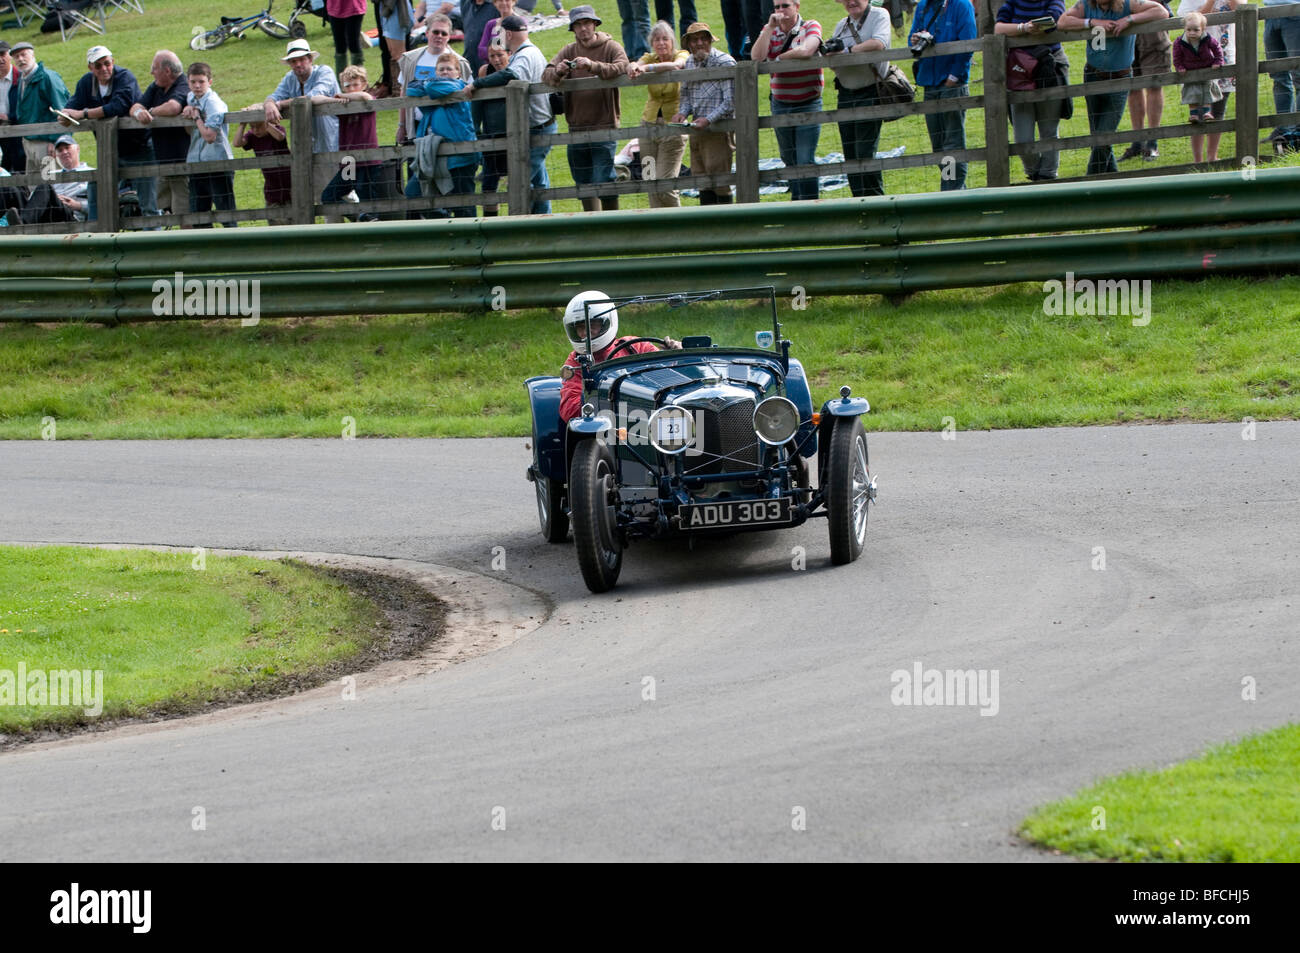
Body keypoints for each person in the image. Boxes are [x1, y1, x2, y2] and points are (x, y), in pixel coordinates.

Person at [1058, 0, 1168, 175]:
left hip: (1120, 78)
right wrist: (1091, 22)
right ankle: (1114, 179)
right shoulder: (1086, 5)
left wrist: (1129, 20)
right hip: (1093, 76)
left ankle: (1090, 182)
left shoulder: (1127, 4)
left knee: (1103, 137)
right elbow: (1062, 21)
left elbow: (1161, 11)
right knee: (1099, 138)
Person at [544, 6, 630, 212]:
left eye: (586, 23)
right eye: (578, 25)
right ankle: (592, 224)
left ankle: (611, 224)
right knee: (582, 181)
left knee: (604, 179)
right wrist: (559, 71)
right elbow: (545, 76)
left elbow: (623, 67)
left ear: (595, 24)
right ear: (573, 29)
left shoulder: (611, 47)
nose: (583, 28)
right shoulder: (568, 50)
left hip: (604, 124)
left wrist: (593, 66)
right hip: (576, 126)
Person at [59, 46, 158, 222]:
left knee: (147, 201)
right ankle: (98, 233)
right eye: (98, 65)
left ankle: (155, 240)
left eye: (107, 63)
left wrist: (83, 114)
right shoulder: (86, 83)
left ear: (113, 62)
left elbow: (118, 107)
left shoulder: (125, 77)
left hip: (139, 148)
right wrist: (65, 115)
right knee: (96, 185)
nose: (104, 68)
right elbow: (73, 104)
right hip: (110, 150)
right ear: (90, 68)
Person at [469, 14, 555, 213]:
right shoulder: (527, 52)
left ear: (508, 33)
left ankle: (519, 226)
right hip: (538, 124)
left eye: (501, 35)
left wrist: (477, 83)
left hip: (538, 126)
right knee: (538, 181)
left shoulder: (525, 55)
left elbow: (511, 74)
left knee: (519, 183)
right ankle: (545, 223)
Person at [559, 290, 681, 422]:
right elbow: (570, 412)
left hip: (649, 416)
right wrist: (592, 393)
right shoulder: (576, 361)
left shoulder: (635, 347)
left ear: (608, 322)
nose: (585, 333)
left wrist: (675, 356)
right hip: (605, 426)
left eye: (592, 325)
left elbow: (671, 380)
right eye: (580, 327)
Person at [751, 0, 824, 201]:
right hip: (781, 103)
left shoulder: (810, 26)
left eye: (785, 6)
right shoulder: (770, 30)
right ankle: (796, 201)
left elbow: (806, 50)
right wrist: (769, 28)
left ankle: (810, 205)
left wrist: (779, 60)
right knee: (789, 158)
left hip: (808, 101)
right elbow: (756, 57)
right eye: (777, 7)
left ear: (797, 7)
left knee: (805, 159)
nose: (781, 11)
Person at [995, 0, 1069, 182]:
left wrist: (1030, 28)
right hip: (1019, 71)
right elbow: (998, 28)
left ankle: (1048, 176)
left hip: (1049, 67)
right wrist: (1023, 28)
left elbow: (1052, 23)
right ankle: (1035, 173)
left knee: (1049, 130)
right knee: (1022, 138)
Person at [909, 0, 976, 191]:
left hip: (951, 85)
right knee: (938, 145)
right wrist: (914, 40)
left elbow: (968, 42)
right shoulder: (923, 6)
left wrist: (953, 78)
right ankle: (954, 191)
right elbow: (911, 39)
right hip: (929, 83)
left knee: (952, 144)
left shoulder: (961, 5)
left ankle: (951, 192)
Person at [826, 0, 891, 197]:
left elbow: (878, 43)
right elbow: (832, 59)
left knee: (864, 152)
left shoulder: (879, 15)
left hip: (870, 91)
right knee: (850, 155)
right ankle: (859, 203)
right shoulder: (841, 25)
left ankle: (875, 203)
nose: (851, 2)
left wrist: (847, 51)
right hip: (846, 93)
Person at [404, 50, 480, 217]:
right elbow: (410, 89)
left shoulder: (460, 88)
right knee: (413, 194)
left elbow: (434, 86)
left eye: (449, 69)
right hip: (432, 155)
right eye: (441, 70)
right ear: (436, 72)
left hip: (460, 157)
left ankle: (471, 239)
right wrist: (428, 86)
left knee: (464, 206)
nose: (445, 72)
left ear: (458, 73)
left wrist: (427, 85)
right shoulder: (437, 89)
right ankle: (445, 223)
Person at [673, 21, 736, 204]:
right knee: (701, 180)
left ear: (710, 40)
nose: (699, 43)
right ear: (689, 44)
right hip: (697, 129)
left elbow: (730, 101)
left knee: (720, 180)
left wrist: (708, 120)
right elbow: (686, 96)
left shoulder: (724, 62)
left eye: (703, 38)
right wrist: (682, 114)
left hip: (719, 129)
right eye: (694, 40)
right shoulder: (689, 63)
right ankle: (708, 226)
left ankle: (727, 225)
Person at [627, 20, 689, 207]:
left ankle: (679, 226)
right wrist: (633, 66)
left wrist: (647, 69)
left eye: (665, 39)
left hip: (673, 129)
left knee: (665, 184)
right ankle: (657, 226)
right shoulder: (649, 57)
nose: (661, 43)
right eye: (656, 40)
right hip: (647, 127)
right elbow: (636, 65)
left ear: (672, 41)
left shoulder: (682, 54)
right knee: (649, 180)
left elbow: (678, 65)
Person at [323, 65, 388, 221]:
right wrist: (335, 99)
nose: (351, 89)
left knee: (365, 195)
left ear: (364, 84)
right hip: (349, 162)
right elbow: (316, 100)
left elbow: (366, 97)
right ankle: (360, 217)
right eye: (347, 85)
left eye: (355, 84)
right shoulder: (342, 105)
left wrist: (342, 96)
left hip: (368, 161)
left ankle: (370, 224)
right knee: (329, 196)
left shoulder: (368, 101)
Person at [1177, 0, 1239, 161]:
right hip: (1197, 63)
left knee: (1218, 110)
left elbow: (1240, 10)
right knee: (1197, 112)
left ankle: (1212, 155)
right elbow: (1192, 21)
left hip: (1224, 57)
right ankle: (1198, 160)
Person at [397, 13, 472, 145]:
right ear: (426, 33)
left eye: (444, 33)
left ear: (449, 37)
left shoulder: (461, 63)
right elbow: (403, 93)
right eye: (435, 32)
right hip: (416, 126)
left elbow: (469, 97)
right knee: (416, 164)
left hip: (449, 127)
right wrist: (402, 125)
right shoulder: (410, 59)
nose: (439, 36)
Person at [136, 51, 191, 221]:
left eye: (154, 68)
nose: (151, 73)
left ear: (167, 71)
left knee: (185, 213)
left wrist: (150, 111)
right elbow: (136, 105)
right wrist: (139, 112)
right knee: (163, 212)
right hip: (162, 161)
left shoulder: (183, 84)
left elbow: (174, 107)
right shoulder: (157, 86)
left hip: (182, 161)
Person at [264, 40, 343, 157]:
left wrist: (280, 104)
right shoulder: (290, 78)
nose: (298, 64)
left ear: (310, 59)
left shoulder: (324, 72)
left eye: (302, 59)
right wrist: (269, 104)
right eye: (293, 61)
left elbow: (314, 96)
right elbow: (275, 96)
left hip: (332, 138)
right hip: (304, 144)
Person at [182, 62, 236, 227]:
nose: (197, 86)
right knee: (198, 215)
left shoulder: (214, 103)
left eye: (201, 82)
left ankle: (235, 248)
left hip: (217, 162)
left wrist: (197, 117)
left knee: (226, 214)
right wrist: (188, 109)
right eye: (193, 82)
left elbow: (210, 136)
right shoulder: (191, 97)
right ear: (188, 82)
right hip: (196, 163)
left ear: (210, 82)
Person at [1119, 0, 1172, 160]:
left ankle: (1152, 143)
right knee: (1132, 86)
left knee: (1153, 85)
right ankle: (1138, 142)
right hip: (1124, 27)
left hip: (1152, 24)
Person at [10, 42, 68, 173]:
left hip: (46, 144)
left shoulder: (48, 77)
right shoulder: (22, 79)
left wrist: (57, 141)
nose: (20, 59)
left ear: (33, 55)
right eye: (16, 57)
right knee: (34, 189)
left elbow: (62, 110)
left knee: (51, 186)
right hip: (29, 143)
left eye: (23, 54)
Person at [234, 112, 292, 225]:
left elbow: (280, 137)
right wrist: (242, 124)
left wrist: (267, 123)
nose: (256, 130)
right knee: (274, 221)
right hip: (271, 187)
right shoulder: (252, 136)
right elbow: (237, 143)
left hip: (290, 184)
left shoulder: (277, 131)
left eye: (259, 126)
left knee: (294, 218)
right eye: (252, 127)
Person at [1173, 12, 1223, 138]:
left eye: (1196, 30)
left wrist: (1218, 61)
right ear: (1184, 29)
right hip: (1189, 71)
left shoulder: (1207, 39)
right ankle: (1193, 114)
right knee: (1191, 91)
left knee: (1207, 89)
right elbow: (1176, 57)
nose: (1192, 33)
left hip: (1205, 68)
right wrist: (1179, 67)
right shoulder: (1180, 42)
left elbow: (1217, 48)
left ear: (1203, 29)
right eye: (1188, 30)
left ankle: (1207, 112)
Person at [477, 40, 510, 214]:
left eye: (500, 55)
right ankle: (490, 221)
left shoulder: (514, 70)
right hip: (491, 134)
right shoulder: (484, 71)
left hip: (513, 133)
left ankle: (521, 220)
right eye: (492, 56)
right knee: (489, 181)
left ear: (509, 54)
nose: (496, 60)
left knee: (519, 180)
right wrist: (477, 130)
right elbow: (478, 102)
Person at [1262, 0, 1299, 149]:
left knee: (1298, 75)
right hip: (1270, 13)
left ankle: (1297, 131)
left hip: (1295, 13)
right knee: (1278, 75)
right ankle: (1284, 128)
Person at [376, 0, 416, 91]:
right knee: (393, 53)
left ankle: (404, 89)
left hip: (396, 9)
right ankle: (397, 89)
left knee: (399, 54)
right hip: (386, 7)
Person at [0, 41, 24, 175]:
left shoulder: (22, 79)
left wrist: (9, 117)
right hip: (1, 137)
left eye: (2, 54)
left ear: (9, 56)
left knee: (23, 173)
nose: (0, 59)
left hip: (20, 134)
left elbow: (28, 108)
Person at [327, 0, 368, 78]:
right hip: (334, 7)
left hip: (354, 6)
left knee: (353, 44)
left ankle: (358, 80)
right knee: (340, 47)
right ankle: (342, 83)